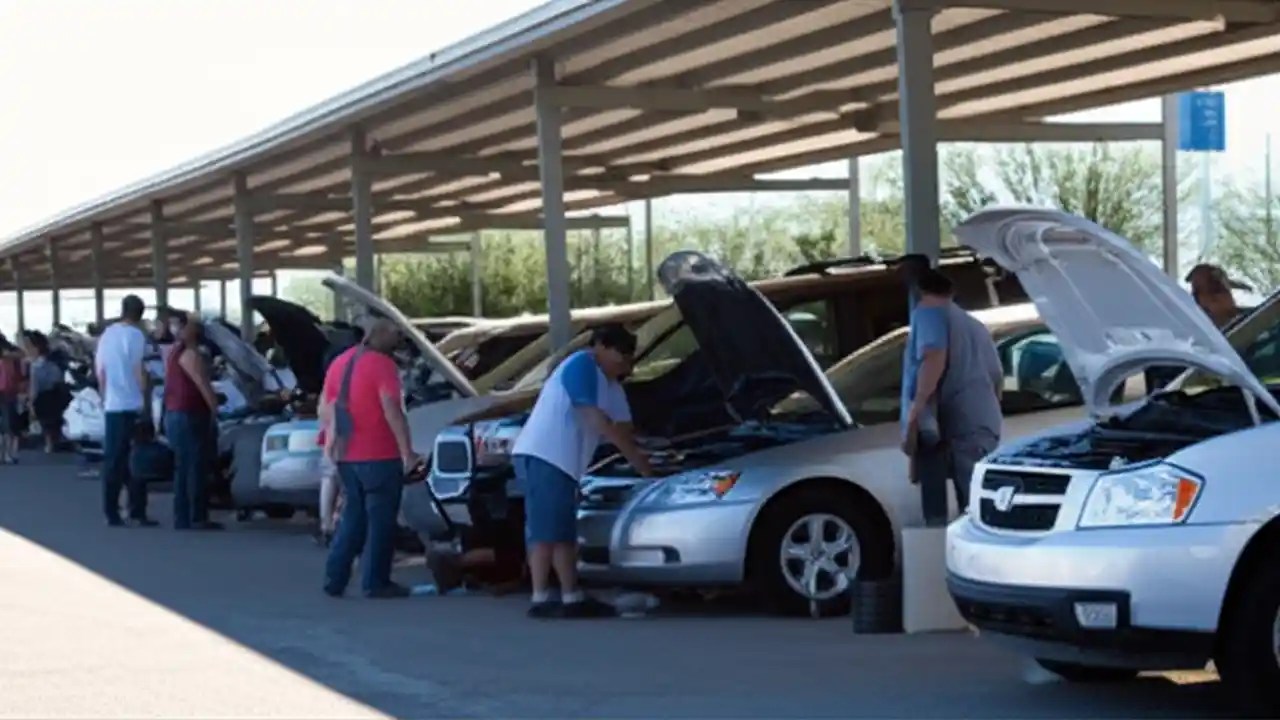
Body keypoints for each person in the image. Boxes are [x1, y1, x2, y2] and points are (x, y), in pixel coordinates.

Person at [510, 324, 653, 619]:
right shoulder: (581, 366)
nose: (625, 363)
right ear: (600, 346)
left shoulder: (611, 384)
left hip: (565, 463)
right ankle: (540, 597)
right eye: (620, 355)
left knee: (563, 531)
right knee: (545, 529)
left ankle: (570, 595)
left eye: (629, 358)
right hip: (545, 455)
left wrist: (642, 452)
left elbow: (625, 428)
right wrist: (642, 467)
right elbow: (598, 421)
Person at [898, 259, 1004, 527]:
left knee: (940, 515)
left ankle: (945, 564)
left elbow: (933, 356)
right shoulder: (973, 324)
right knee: (977, 508)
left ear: (919, 290)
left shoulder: (928, 313)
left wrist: (917, 407)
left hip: (950, 423)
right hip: (980, 423)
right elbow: (996, 377)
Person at [318, 319, 418, 599]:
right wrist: (407, 451)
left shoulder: (340, 362)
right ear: (381, 335)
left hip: (347, 454)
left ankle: (334, 577)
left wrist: (331, 444)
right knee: (381, 520)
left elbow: (326, 406)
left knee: (353, 516)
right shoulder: (383, 365)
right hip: (379, 454)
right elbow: (392, 409)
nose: (399, 341)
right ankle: (375, 581)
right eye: (396, 334)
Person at [95, 295, 156, 528]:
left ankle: (111, 511)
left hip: (113, 405)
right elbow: (139, 369)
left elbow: (100, 371)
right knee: (137, 460)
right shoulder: (136, 336)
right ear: (140, 315)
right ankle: (137, 511)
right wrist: (146, 403)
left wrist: (105, 398)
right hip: (133, 404)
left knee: (113, 461)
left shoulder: (107, 335)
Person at [162, 318, 223, 531]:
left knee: (183, 467)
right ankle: (197, 515)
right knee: (195, 466)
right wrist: (216, 408)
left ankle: (183, 516)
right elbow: (202, 384)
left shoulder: (173, 353)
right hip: (189, 414)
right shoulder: (191, 355)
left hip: (175, 414)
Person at [22, 331, 69, 453]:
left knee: (46, 422)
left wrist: (31, 403)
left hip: (43, 396)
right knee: (53, 421)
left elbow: (34, 386)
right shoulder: (53, 360)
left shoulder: (36, 365)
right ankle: (55, 441)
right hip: (56, 393)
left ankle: (49, 444)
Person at [0, 338, 22, 465]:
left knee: (5, 425)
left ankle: (4, 454)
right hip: (7, 393)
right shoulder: (8, 360)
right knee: (8, 425)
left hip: (6, 393)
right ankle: (7, 454)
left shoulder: (7, 360)